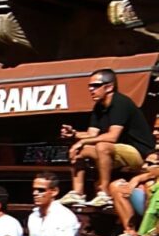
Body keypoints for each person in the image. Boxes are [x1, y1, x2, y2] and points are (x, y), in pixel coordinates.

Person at [63, 67, 153, 208]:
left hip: (139, 154)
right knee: (80, 150)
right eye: (90, 86)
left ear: (109, 87)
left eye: (96, 86)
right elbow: (92, 134)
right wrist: (74, 134)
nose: (91, 89)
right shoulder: (98, 107)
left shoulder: (120, 103)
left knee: (102, 146)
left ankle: (103, 194)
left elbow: (112, 137)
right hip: (116, 152)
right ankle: (77, 193)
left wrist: (81, 141)